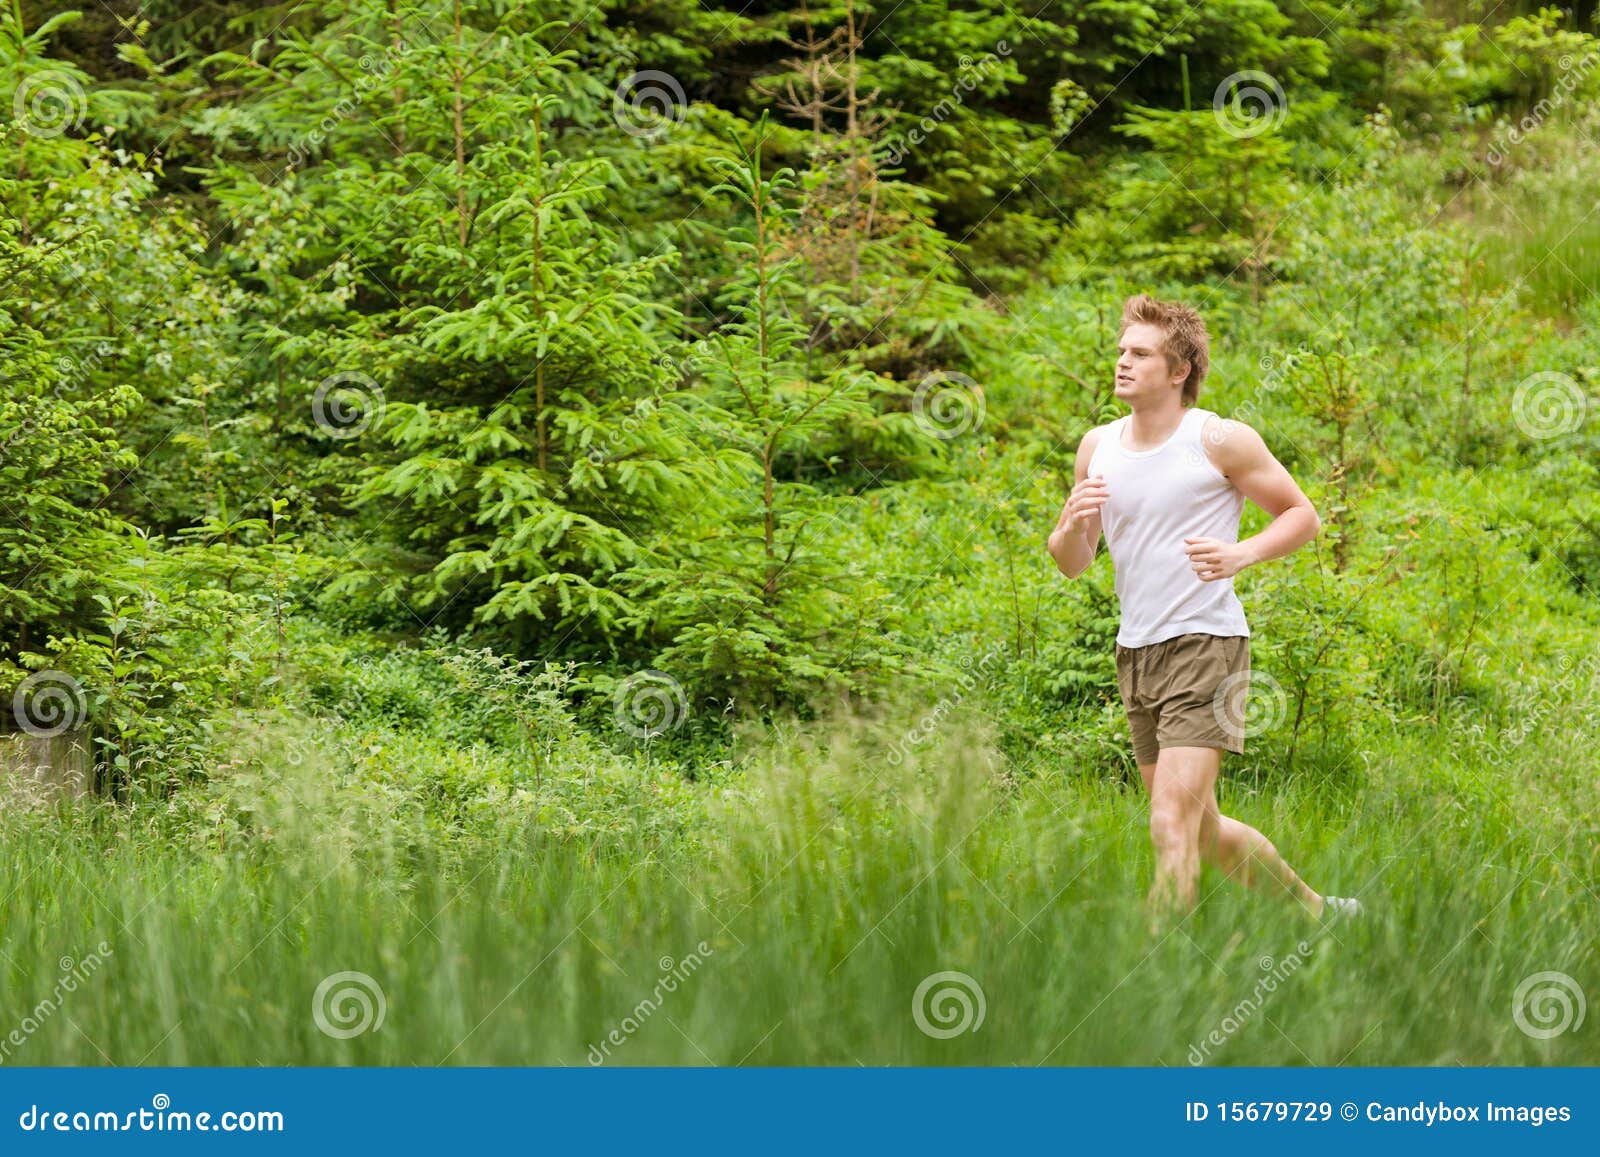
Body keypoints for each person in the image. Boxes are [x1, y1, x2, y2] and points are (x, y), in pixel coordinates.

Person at [1046, 293, 1361, 924]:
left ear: (1179, 369)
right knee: (1199, 830)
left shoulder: (1217, 439)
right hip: (1136, 651)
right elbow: (1074, 560)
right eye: (1121, 352)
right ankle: (1319, 915)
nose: (1123, 363)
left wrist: (1242, 555)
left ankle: (1159, 980)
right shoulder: (1096, 447)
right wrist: (1069, 525)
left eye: (1140, 353)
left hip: (1207, 645)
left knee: (1169, 821)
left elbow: (1303, 516)